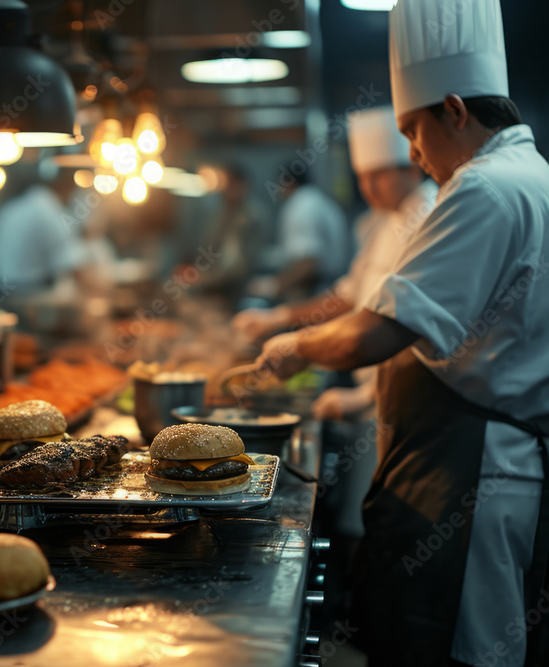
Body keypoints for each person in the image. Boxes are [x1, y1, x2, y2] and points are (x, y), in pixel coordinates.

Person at [257, 1, 549, 664]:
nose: (413, 155)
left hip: (473, 471)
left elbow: (375, 333)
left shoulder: (485, 187)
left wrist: (292, 345)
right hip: (481, 464)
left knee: (452, 648)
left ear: (455, 110)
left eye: (413, 132)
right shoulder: (530, 176)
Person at [234, 106, 438, 420]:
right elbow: (349, 294)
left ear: (411, 170)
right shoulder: (382, 220)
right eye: (362, 177)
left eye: (379, 175)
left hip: (410, 397)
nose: (369, 188)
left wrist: (364, 396)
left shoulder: (429, 218)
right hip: (378, 389)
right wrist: (279, 317)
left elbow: (418, 326)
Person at [179, 164, 271, 307]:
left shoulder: (252, 217)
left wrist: (208, 279)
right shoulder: (219, 215)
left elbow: (241, 265)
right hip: (211, 289)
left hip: (239, 292)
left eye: (230, 185)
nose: (225, 191)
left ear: (242, 186)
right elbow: (207, 250)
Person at [249, 171, 349, 301]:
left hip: (318, 290)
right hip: (330, 284)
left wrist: (274, 286)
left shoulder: (301, 207)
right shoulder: (316, 199)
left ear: (287, 184)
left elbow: (308, 264)